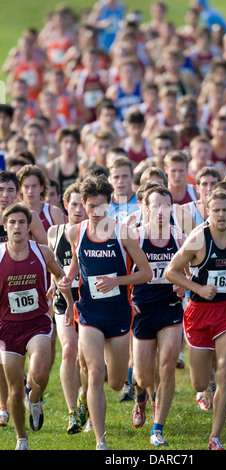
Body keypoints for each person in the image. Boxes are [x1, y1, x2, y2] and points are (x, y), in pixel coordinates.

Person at [59, 175, 152, 450]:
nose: (96, 213)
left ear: (110, 204)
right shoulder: (75, 232)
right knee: (95, 371)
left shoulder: (124, 233)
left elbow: (145, 273)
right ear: (84, 206)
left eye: (101, 207)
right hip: (89, 311)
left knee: (115, 381)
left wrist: (117, 281)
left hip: (119, 313)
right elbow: (77, 262)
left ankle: (135, 391)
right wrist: (68, 278)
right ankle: (101, 441)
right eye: (91, 207)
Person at [165, 189, 226, 450]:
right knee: (200, 381)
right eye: (215, 210)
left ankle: (215, 437)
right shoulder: (197, 240)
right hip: (199, 312)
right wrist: (198, 288)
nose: (221, 215)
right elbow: (171, 271)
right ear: (208, 212)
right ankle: (205, 389)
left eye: (225, 210)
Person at [0, 203, 73, 450]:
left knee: (39, 376)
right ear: (5, 226)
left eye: (22, 222)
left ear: (29, 226)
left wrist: (64, 297)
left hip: (37, 323)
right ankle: (22, 439)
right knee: (14, 389)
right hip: (7, 328)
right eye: (12, 223)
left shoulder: (42, 252)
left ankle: (36, 397)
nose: (17, 227)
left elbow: (61, 276)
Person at [131, 185, 186, 446]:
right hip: (142, 308)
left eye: (166, 207)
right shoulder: (135, 237)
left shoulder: (181, 238)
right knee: (143, 376)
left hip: (170, 307)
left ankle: (157, 429)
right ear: (146, 208)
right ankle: (140, 395)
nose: (161, 212)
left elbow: (194, 270)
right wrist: (127, 301)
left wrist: (183, 283)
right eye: (156, 206)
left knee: (167, 365)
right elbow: (121, 273)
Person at [47, 182, 88, 435]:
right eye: (74, 204)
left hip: (90, 302)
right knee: (69, 351)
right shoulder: (54, 232)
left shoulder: (97, 232)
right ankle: (72, 412)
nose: (79, 209)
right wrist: (53, 283)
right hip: (63, 302)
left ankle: (86, 399)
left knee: (88, 361)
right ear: (66, 205)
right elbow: (50, 261)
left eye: (83, 204)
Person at [17, 164, 65, 232]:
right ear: (20, 189)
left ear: (42, 187)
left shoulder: (54, 212)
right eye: (26, 186)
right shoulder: (12, 211)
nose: (30, 191)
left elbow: (62, 242)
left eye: (34, 186)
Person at [107, 156, 139, 222]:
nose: (120, 181)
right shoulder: (104, 203)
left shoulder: (142, 203)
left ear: (133, 177)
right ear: (110, 179)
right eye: (116, 177)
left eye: (125, 176)